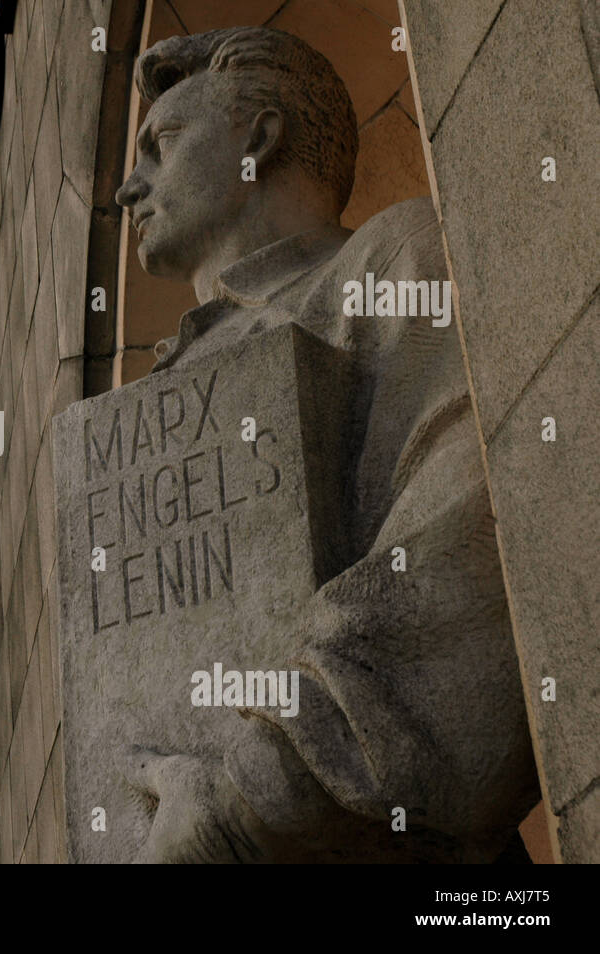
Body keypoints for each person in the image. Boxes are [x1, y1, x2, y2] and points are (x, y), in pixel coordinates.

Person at [111, 26, 539, 862]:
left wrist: (248, 800)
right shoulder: (151, 402)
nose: (131, 187)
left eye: (162, 145)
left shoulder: (395, 259)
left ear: (259, 137)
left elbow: (479, 532)